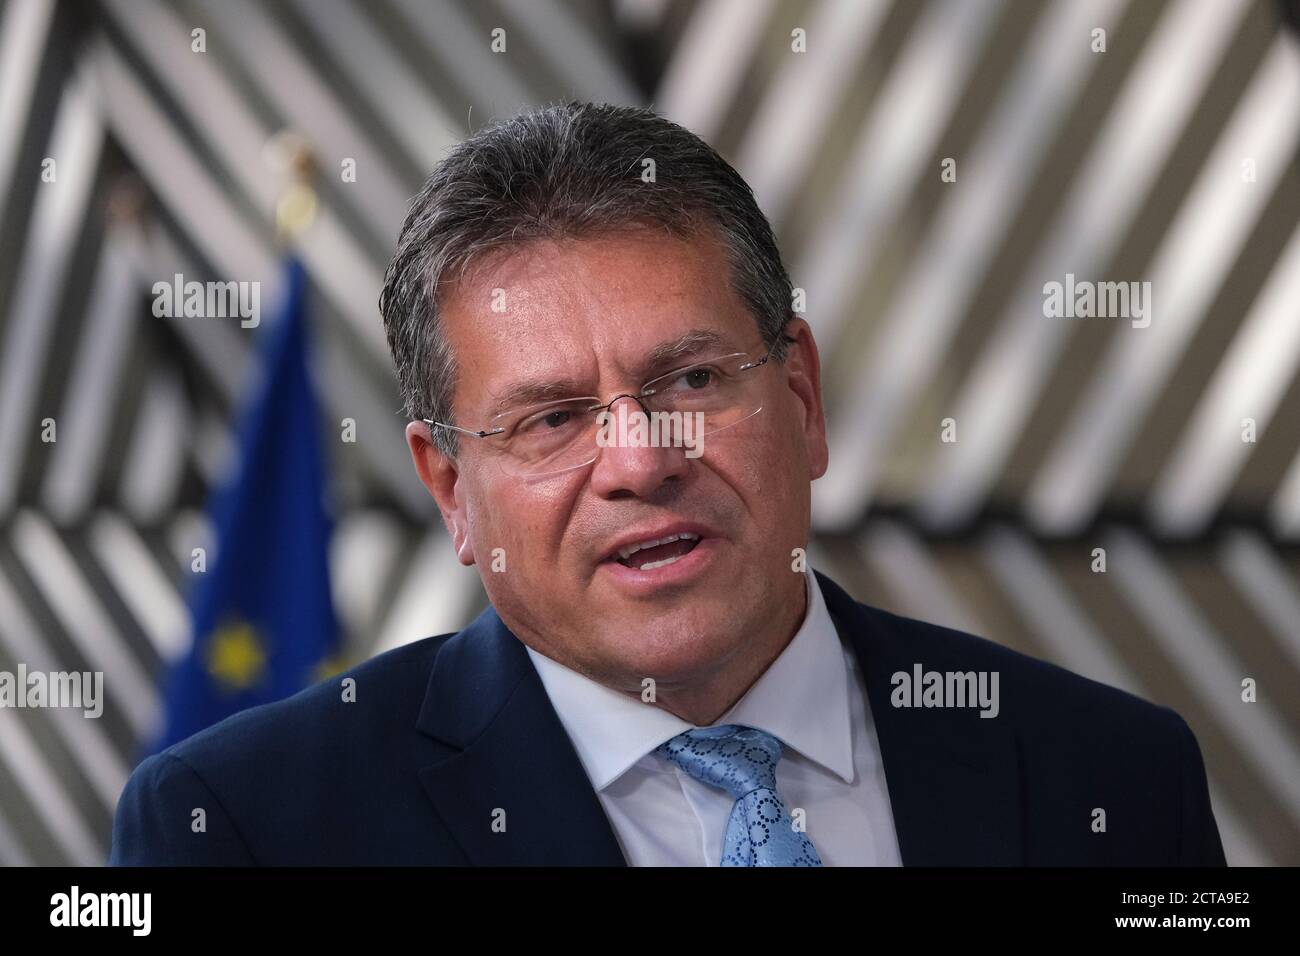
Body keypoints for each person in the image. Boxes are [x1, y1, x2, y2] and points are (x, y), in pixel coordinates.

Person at [110, 102, 1225, 866]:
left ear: (799, 397)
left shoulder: (1113, 774)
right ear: (451, 488)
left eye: (691, 376)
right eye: (551, 419)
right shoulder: (246, 828)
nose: (642, 460)